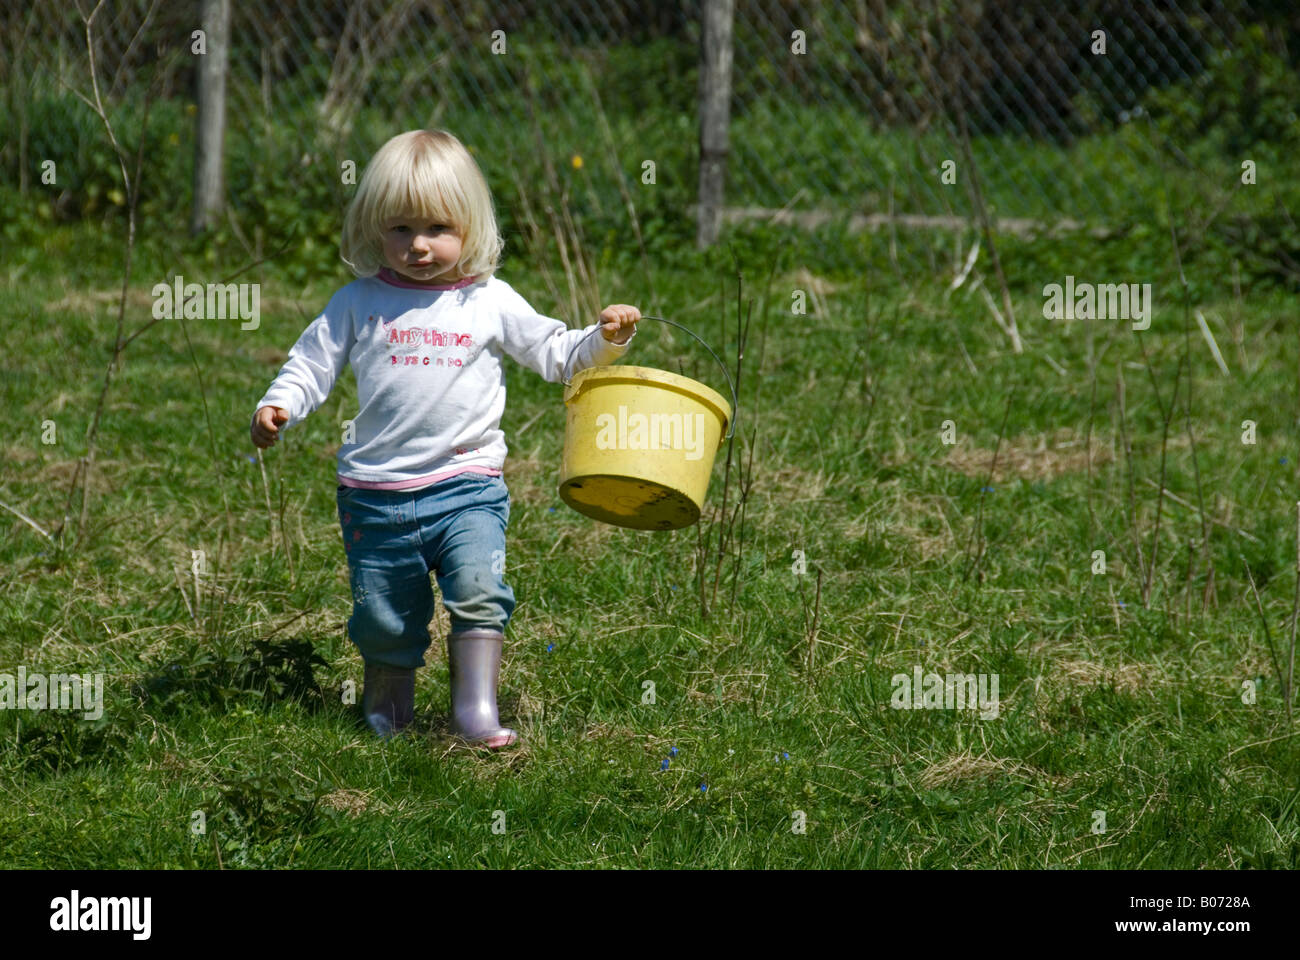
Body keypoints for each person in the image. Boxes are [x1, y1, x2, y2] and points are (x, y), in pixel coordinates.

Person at [249, 129, 640, 749]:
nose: (419, 245)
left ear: (471, 227)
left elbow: (560, 354)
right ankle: (386, 711)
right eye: (399, 228)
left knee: (481, 593)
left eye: (437, 228)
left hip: (469, 487)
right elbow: (311, 363)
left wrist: (607, 337)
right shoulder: (358, 302)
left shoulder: (488, 301)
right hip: (375, 494)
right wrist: (279, 404)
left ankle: (475, 711)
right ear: (374, 226)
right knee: (384, 616)